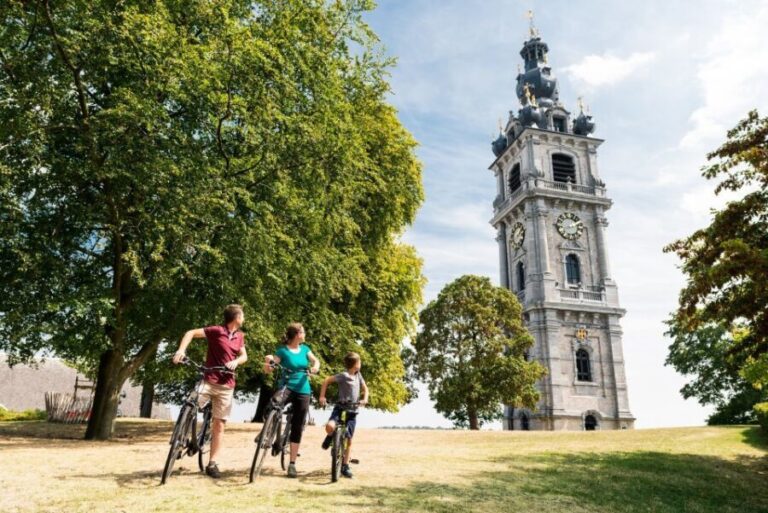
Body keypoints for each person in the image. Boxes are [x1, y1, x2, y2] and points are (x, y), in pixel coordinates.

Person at [172, 304, 247, 479]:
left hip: (227, 385)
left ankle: (212, 463)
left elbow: (244, 356)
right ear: (236, 317)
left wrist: (236, 361)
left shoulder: (240, 336)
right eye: (242, 315)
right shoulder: (217, 331)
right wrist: (181, 350)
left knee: (219, 424)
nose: (244, 318)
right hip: (209, 380)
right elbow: (190, 333)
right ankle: (179, 439)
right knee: (189, 405)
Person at [264, 322, 320, 478]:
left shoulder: (305, 349)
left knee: (297, 425)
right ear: (297, 334)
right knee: (273, 404)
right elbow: (269, 369)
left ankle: (292, 464)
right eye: (303, 332)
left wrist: (315, 367)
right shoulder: (282, 351)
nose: (305, 334)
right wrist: (268, 362)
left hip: (303, 389)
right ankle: (267, 433)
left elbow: (316, 361)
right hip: (287, 386)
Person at [318, 351, 369, 479]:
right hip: (340, 408)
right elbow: (327, 380)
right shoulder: (344, 376)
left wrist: (365, 399)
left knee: (349, 438)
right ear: (355, 364)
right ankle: (330, 436)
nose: (360, 364)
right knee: (329, 426)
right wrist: (322, 396)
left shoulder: (358, 375)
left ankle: (345, 465)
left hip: (352, 411)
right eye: (359, 362)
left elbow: (365, 388)